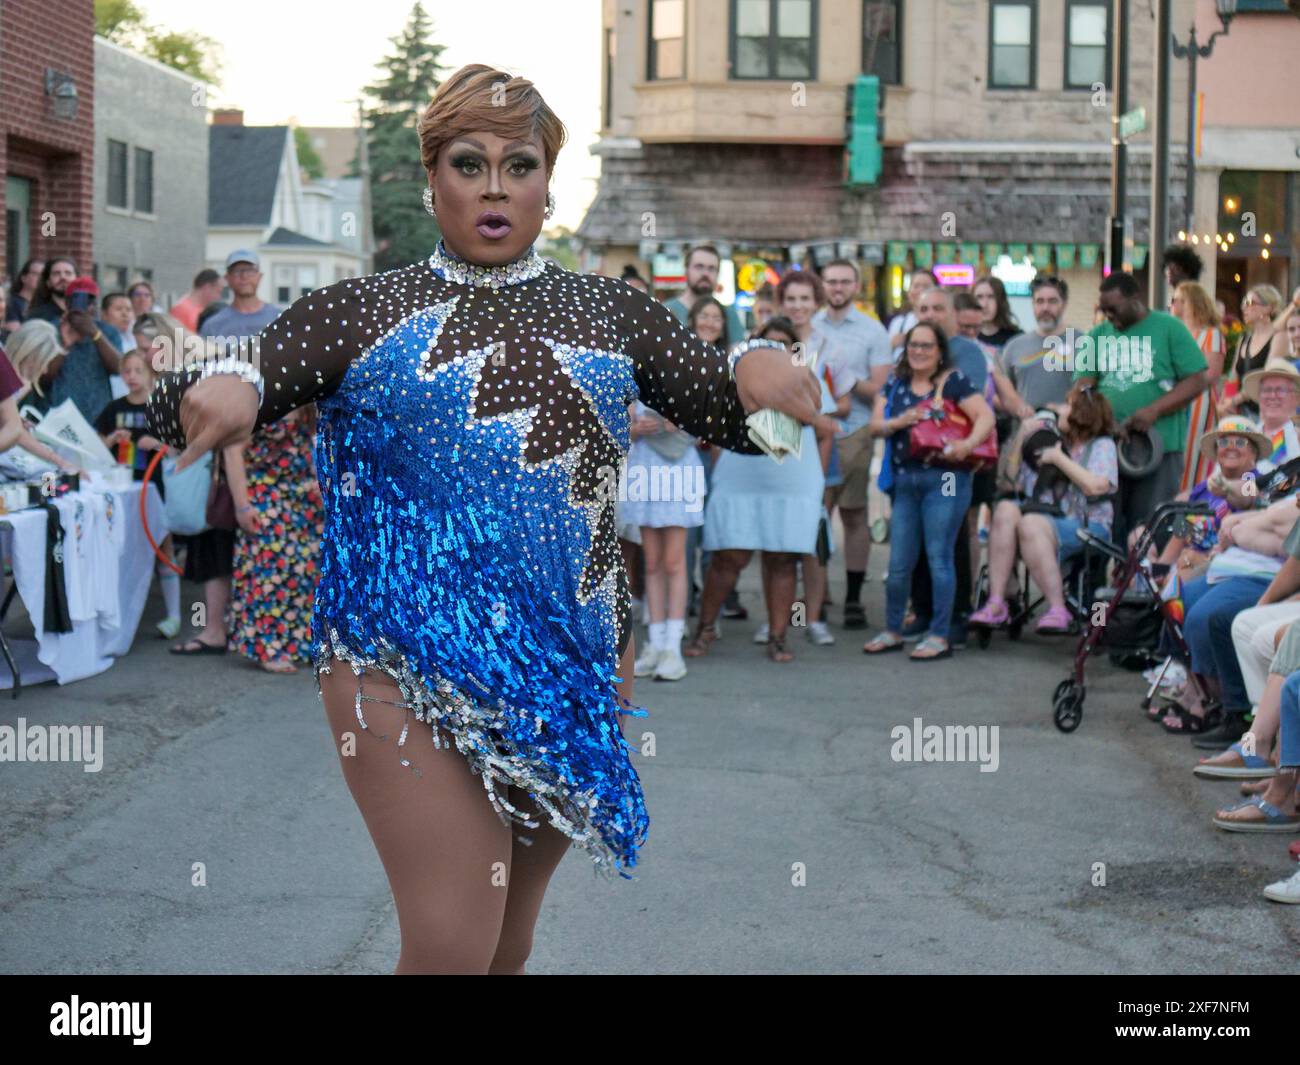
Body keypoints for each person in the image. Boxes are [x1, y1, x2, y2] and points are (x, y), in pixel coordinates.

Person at [147, 63, 820, 975]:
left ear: (551, 182)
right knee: (453, 941)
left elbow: (726, 406)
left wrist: (759, 363)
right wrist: (221, 387)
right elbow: (254, 371)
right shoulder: (362, 309)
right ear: (432, 179)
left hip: (570, 662)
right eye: (469, 162)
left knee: (505, 943)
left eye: (521, 164)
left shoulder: (614, 311)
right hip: (398, 657)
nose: (496, 185)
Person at [685, 309, 840, 661]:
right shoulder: (738, 375)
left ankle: (778, 636)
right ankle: (705, 628)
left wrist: (819, 482)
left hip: (793, 476)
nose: (776, 351)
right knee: (729, 555)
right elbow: (717, 424)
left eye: (784, 345)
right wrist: (721, 464)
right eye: (768, 345)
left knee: (783, 558)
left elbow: (824, 431)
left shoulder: (807, 376)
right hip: (741, 472)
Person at [168, 254, 281, 657]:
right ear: (228, 279)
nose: (245, 276)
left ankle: (262, 628)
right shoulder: (214, 326)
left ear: (260, 275)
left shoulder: (278, 317)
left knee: (268, 538)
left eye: (250, 269)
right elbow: (198, 376)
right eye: (237, 271)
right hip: (222, 438)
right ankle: (213, 628)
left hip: (272, 442)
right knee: (217, 530)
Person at [864, 322, 995, 660]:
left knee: (939, 556)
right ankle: (893, 629)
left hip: (947, 477)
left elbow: (985, 417)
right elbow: (875, 425)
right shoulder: (895, 381)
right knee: (898, 563)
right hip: (906, 480)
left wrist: (966, 445)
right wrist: (901, 420)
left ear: (939, 351)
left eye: (927, 346)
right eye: (913, 345)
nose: (919, 352)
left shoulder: (954, 381)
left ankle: (939, 634)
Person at [969, 383, 1118, 634]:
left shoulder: (1102, 446)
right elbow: (1010, 482)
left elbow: (1096, 486)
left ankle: (1058, 609)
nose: (1059, 410)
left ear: (1082, 413)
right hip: (1046, 517)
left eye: (1067, 405)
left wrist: (1059, 459)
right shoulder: (1050, 441)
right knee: (1005, 508)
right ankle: (997, 602)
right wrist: (1021, 437)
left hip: (1088, 525)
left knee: (1031, 522)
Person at [1074, 271, 1207, 546]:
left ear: (1135, 298)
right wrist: (1103, 420)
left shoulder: (1169, 328)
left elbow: (1197, 380)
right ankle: (1104, 586)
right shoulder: (1097, 335)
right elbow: (1081, 386)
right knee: (1106, 522)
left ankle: (1147, 583)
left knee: (1152, 523)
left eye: (1114, 308)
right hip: (1108, 447)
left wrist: (1154, 411)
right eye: (1104, 310)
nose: (1109, 316)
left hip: (1158, 447)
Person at [813, 258, 892, 628]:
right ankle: (818, 592)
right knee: (817, 515)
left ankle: (855, 597)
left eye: (845, 281)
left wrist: (843, 375)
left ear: (856, 287)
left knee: (854, 514)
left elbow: (878, 388)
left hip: (854, 430)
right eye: (832, 281)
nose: (838, 287)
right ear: (823, 285)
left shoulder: (873, 331)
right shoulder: (808, 326)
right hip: (813, 430)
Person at [93, 342, 181, 639]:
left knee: (163, 546)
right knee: (120, 547)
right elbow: (93, 449)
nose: (131, 376)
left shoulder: (162, 405)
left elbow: (180, 449)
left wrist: (156, 444)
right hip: (121, 487)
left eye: (137, 371)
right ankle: (118, 613)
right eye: (126, 371)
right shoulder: (113, 408)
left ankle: (175, 616)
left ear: (150, 374)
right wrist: (111, 441)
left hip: (156, 485)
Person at [227, 404, 324, 674]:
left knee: (304, 571)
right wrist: (242, 505)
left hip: (302, 495)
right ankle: (267, 646)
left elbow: (314, 443)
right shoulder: (257, 402)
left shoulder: (306, 398)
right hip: (265, 494)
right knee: (268, 573)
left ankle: (299, 643)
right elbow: (232, 451)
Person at [26, 274, 123, 423]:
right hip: (56, 416)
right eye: (76, 300)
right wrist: (65, 344)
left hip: (98, 416)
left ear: (95, 304)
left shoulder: (108, 332)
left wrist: (95, 334)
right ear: (66, 302)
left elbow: (119, 368)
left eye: (89, 301)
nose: (84, 306)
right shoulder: (50, 329)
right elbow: (42, 378)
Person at [0, 330, 82, 474]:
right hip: (10, 462)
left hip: (14, 460)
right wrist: (59, 461)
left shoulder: (22, 384)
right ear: (33, 355)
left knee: (47, 478)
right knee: (47, 478)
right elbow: (15, 431)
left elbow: (14, 429)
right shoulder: (19, 384)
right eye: (46, 362)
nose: (45, 370)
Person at [1169, 280, 1225, 491]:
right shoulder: (1177, 334)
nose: (1172, 304)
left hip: (1198, 402)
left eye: (1176, 299)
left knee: (1194, 455)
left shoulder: (1211, 335)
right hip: (1175, 400)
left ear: (1189, 302)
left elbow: (1211, 374)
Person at [999, 275, 1075, 416]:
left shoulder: (1082, 343)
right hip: (1026, 432)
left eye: (1052, 301)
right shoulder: (1014, 347)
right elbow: (1002, 394)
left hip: (1070, 433)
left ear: (1064, 304)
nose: (1045, 308)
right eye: (1039, 301)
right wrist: (1017, 408)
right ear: (1033, 304)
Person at [1221, 285, 1299, 420]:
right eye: (1243, 302)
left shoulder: (1279, 337)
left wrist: (1233, 401)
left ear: (1268, 308)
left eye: (1249, 303)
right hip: (1242, 411)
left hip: (1265, 413)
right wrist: (1225, 403)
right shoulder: (1245, 338)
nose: (1244, 307)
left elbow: (1266, 377)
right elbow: (1233, 375)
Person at [664, 245, 746, 343]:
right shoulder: (667, 310)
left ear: (718, 273)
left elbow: (736, 353)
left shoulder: (728, 313)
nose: (705, 273)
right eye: (699, 267)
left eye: (711, 268)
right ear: (686, 270)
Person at [972, 274, 1022, 360]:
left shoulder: (1017, 339)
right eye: (979, 297)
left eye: (991, 297)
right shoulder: (966, 338)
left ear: (1001, 301)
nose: (984, 304)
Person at [887, 268, 937, 353]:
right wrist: (891, 344)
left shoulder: (941, 320)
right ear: (909, 293)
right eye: (916, 286)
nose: (920, 290)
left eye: (926, 286)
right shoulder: (898, 323)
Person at [3, 258, 43, 332]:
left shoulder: (44, 304)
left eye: (43, 275)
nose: (40, 278)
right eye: (35, 274)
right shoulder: (12, 303)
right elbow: (15, 334)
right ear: (23, 278)